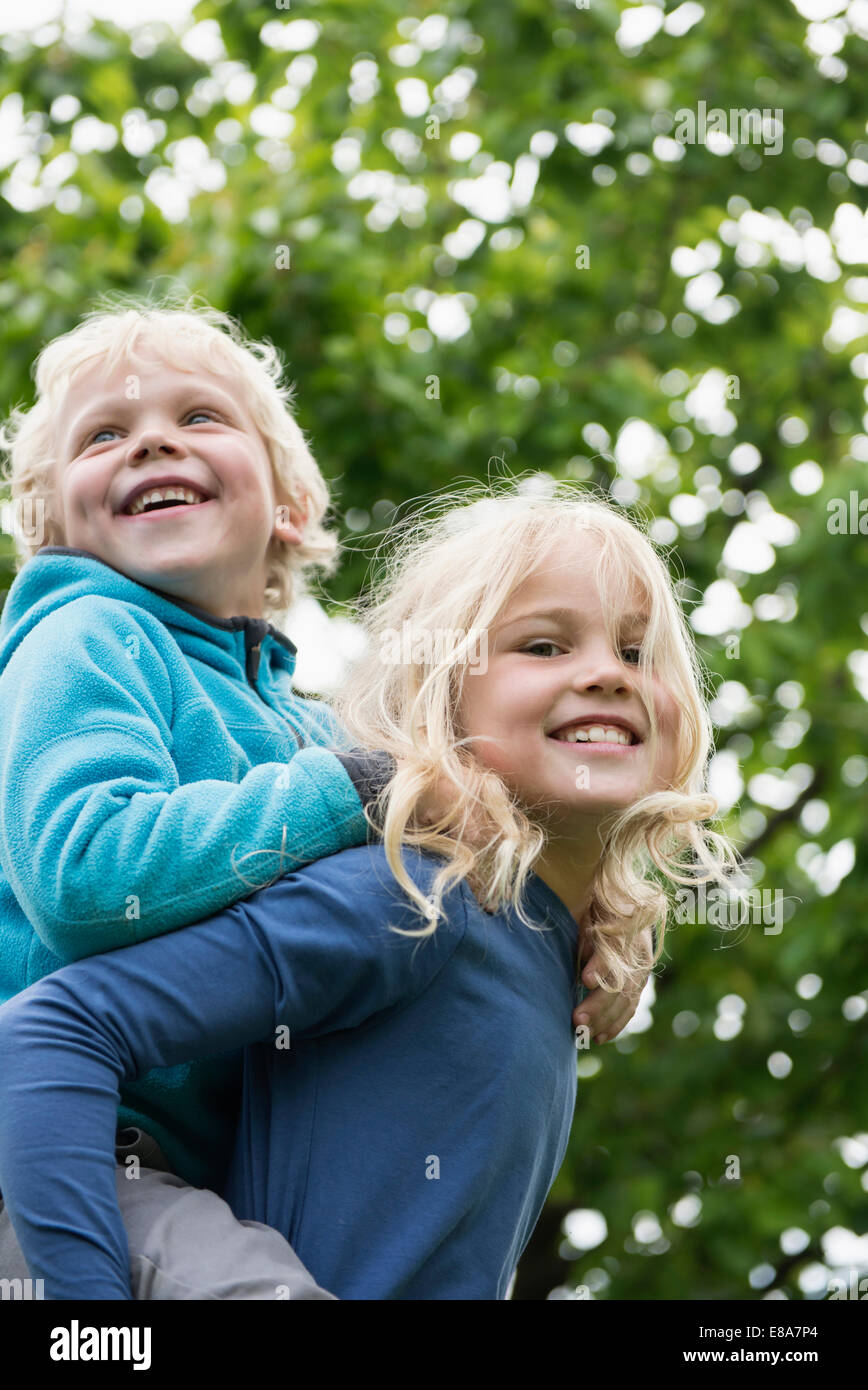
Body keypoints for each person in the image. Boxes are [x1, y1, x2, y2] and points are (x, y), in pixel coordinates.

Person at [0, 481, 743, 1299]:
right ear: (440, 703)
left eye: (638, 653)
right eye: (544, 646)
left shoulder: (553, 953)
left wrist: (606, 920)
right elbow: (57, 1028)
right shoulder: (408, 898)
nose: (607, 674)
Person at [0, 289, 398, 1297]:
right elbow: (89, 874)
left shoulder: (307, 727)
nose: (151, 444)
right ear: (52, 522)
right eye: (105, 434)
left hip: (203, 1176)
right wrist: (341, 789)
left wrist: (562, 925)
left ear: (291, 506)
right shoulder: (85, 638)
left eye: (198, 418)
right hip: (66, 1153)